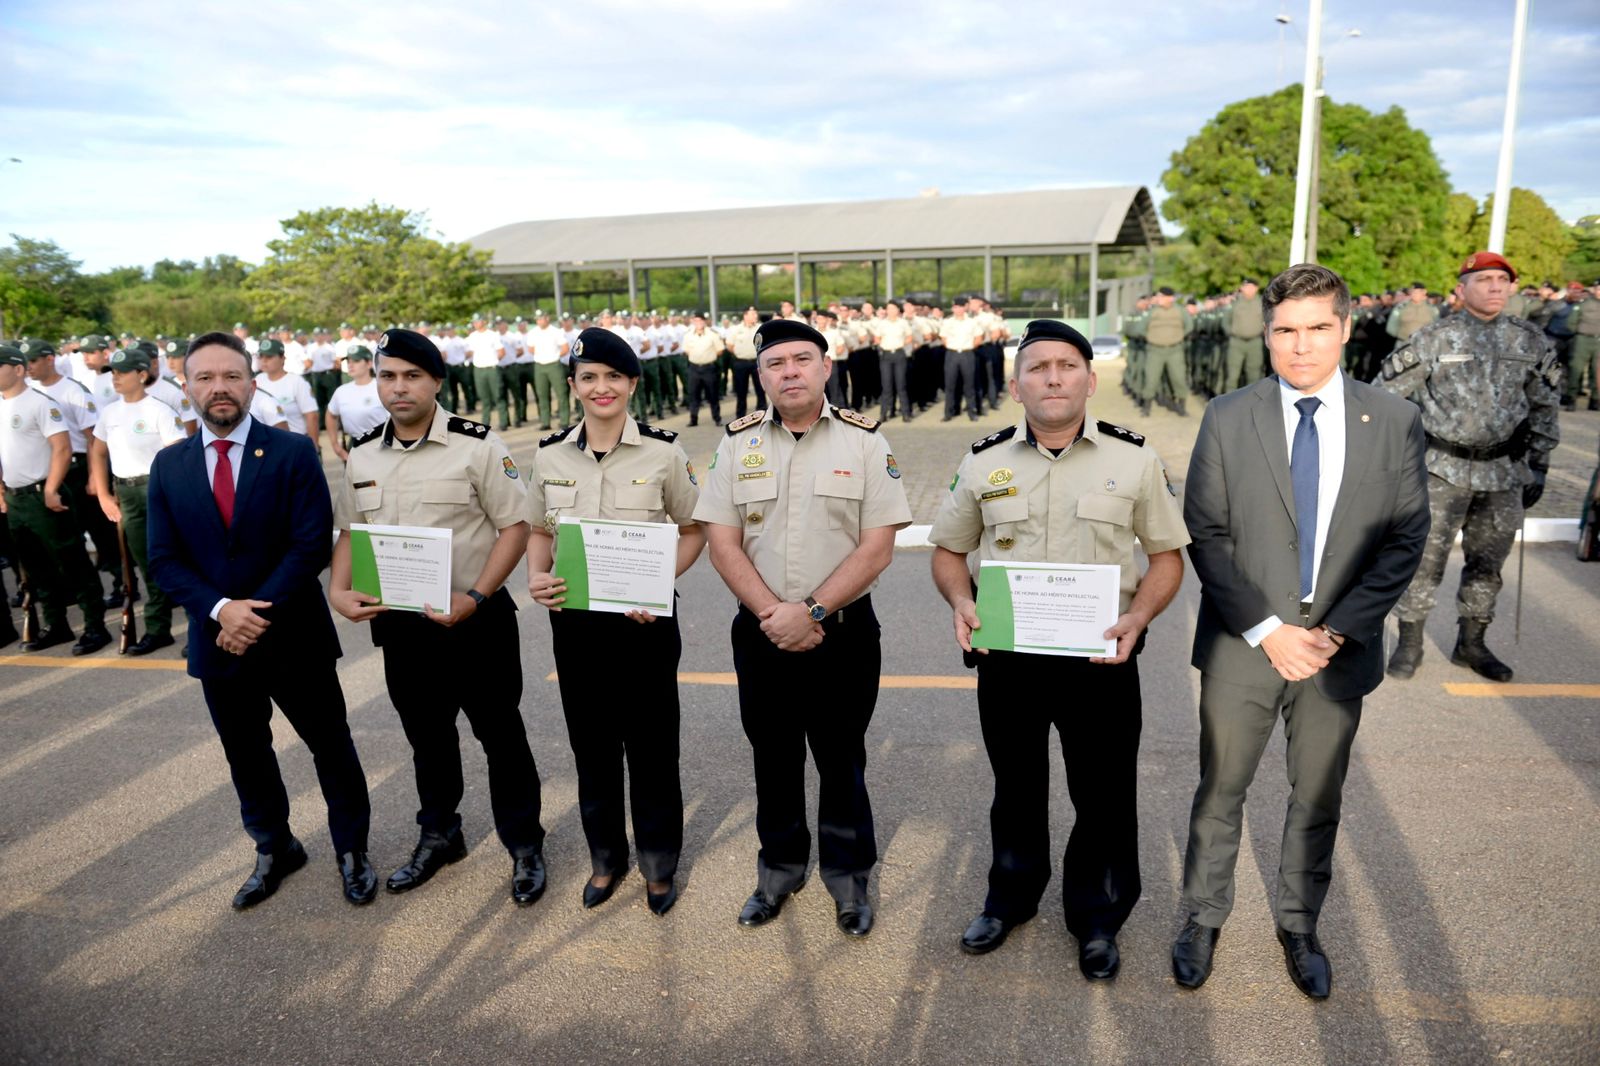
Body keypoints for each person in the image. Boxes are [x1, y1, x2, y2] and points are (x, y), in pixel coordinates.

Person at [1173, 264, 1429, 1000]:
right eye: (1285, 330)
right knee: (1222, 789)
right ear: (1267, 333)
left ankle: (1298, 924)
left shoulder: (1395, 419)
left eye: (1318, 328)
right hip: (1245, 647)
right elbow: (1207, 533)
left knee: (1316, 796)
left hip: (1335, 652)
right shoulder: (1229, 415)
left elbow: (1405, 538)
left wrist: (1338, 631)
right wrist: (1267, 628)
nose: (1301, 346)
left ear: (1345, 329)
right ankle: (1201, 917)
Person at [930, 320, 1189, 979]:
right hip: (1008, 660)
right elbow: (948, 552)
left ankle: (1096, 916)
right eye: (1038, 367)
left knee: (1102, 794)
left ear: (1089, 380)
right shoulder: (984, 461)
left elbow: (1165, 559)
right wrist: (960, 601)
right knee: (1015, 787)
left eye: (1067, 366)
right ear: (1015, 386)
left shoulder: (1133, 459)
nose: (1052, 376)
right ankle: (1010, 898)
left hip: (1100, 659)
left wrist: (1138, 616)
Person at [693, 318, 912, 938]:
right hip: (761, 632)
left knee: (842, 756)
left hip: (841, 632)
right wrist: (773, 614)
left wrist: (809, 611)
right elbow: (722, 542)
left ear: (825, 367)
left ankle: (847, 877)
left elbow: (877, 548)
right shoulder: (735, 443)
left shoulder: (866, 441)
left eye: (801, 360)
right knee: (774, 755)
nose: (788, 372)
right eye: (774, 364)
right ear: (759, 375)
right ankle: (780, 869)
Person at [146, 331, 374, 908]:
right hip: (218, 640)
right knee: (246, 754)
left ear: (252, 382)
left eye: (231, 376)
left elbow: (308, 547)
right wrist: (223, 611)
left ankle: (352, 849)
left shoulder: (293, 451)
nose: (219, 388)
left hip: (294, 637)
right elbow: (163, 559)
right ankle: (274, 846)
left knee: (331, 746)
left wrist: (252, 612)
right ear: (185, 387)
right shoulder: (168, 465)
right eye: (205, 377)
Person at [328, 328, 547, 906]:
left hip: (476, 617)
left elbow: (516, 527)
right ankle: (440, 833)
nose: (398, 388)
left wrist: (474, 597)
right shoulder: (365, 453)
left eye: (411, 376)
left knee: (501, 735)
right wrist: (337, 587)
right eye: (387, 376)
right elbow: (353, 531)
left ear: (437, 382)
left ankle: (524, 843)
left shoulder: (477, 445)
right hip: (402, 622)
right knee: (426, 735)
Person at [524, 328, 704, 916]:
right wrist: (536, 577)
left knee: (653, 749)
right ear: (573, 386)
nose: (602, 388)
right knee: (592, 748)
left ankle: (658, 864)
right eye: (589, 378)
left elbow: (695, 527)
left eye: (613, 377)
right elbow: (539, 529)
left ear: (631, 383)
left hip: (645, 625)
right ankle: (607, 859)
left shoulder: (664, 452)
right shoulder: (549, 455)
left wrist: (659, 584)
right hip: (576, 627)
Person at [1378, 252, 1561, 683]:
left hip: (1503, 472)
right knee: (1424, 559)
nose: (1496, 287)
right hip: (1441, 467)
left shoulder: (1529, 340)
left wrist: (1541, 462)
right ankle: (1410, 641)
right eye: (1484, 279)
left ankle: (1472, 642)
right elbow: (1385, 396)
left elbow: (1545, 402)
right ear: (1462, 289)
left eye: (1503, 279)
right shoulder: (1434, 338)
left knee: (1488, 563)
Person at [0, 343, 113, 654]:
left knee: (72, 561)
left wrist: (51, 488)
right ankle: (56, 624)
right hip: (16, 497)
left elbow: (62, 448)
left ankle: (95, 626)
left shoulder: (40, 403)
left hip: (42, 495)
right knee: (35, 568)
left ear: (18, 369)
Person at [89, 346, 185, 655]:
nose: (115, 377)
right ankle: (159, 629)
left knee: (173, 559)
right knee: (144, 563)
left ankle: (191, 625)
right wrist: (104, 494)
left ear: (141, 375)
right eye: (113, 372)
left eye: (122, 372)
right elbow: (98, 451)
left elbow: (177, 458)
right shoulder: (110, 412)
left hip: (155, 489)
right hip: (126, 492)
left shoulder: (160, 410)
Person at [325, 346, 385, 460]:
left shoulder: (381, 387)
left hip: (381, 445)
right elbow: (331, 415)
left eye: (356, 361)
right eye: (349, 361)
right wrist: (335, 446)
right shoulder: (342, 391)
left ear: (368, 364)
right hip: (354, 445)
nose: (350, 365)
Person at [253, 339, 319, 439]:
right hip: (266, 443)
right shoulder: (257, 381)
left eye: (269, 356)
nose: (264, 360)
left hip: (294, 441)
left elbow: (311, 416)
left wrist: (314, 447)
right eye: (261, 356)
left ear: (282, 358)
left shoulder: (297, 382)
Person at [526, 309, 571, 430]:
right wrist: (542, 354)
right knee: (542, 394)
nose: (540, 321)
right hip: (539, 365)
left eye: (542, 318)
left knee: (561, 394)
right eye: (538, 319)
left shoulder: (556, 331)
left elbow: (565, 348)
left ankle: (564, 421)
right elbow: (530, 349)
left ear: (547, 318)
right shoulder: (533, 332)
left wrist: (554, 355)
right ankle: (545, 422)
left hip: (554, 365)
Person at [681, 311, 725, 426]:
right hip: (694, 368)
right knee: (693, 395)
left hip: (708, 368)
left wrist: (708, 356)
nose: (698, 323)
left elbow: (720, 350)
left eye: (700, 320)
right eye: (696, 321)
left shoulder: (713, 334)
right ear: (693, 322)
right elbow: (686, 350)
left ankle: (717, 418)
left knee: (713, 395)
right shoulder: (688, 335)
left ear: (704, 321)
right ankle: (693, 419)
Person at [724, 307, 764, 419]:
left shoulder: (760, 328)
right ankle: (740, 416)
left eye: (756, 314)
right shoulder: (735, 329)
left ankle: (762, 414)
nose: (755, 316)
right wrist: (740, 353)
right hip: (740, 363)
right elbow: (730, 345)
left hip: (757, 362)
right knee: (741, 391)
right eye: (752, 314)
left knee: (760, 389)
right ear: (745, 316)